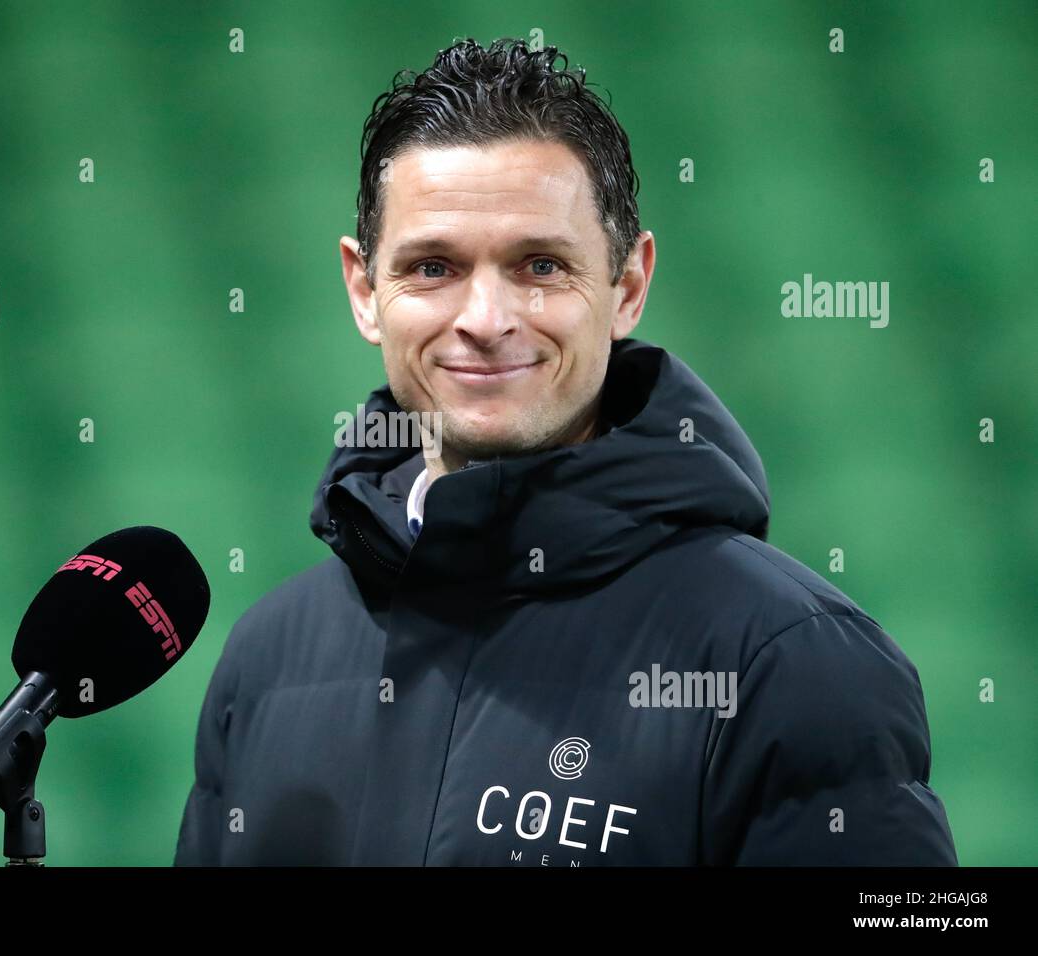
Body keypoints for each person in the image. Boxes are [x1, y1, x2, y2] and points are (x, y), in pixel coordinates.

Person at [174, 37, 957, 866]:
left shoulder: (789, 658)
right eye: (433, 267)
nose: (485, 318)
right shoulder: (266, 659)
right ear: (366, 291)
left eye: (539, 265)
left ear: (628, 286)